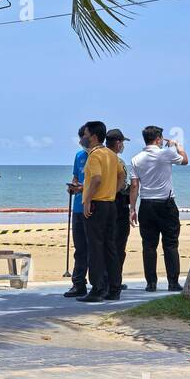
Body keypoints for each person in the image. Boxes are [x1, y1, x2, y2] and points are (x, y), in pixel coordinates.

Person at [130, 125, 188, 292]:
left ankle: (151, 283)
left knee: (148, 245)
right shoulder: (167, 153)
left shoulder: (136, 158)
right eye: (161, 139)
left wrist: (132, 208)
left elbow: (134, 186)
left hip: (146, 204)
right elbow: (185, 160)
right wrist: (177, 146)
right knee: (170, 243)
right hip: (166, 203)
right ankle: (172, 282)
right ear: (158, 139)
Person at [80, 121, 120, 302]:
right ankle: (114, 288)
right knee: (110, 247)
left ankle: (97, 289)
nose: (83, 138)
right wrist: (113, 190)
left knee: (95, 248)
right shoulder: (111, 154)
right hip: (111, 205)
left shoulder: (95, 156)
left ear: (94, 137)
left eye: (85, 134)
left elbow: (96, 179)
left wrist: (87, 200)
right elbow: (122, 175)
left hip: (97, 204)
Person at [62, 122, 95, 298]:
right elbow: (76, 176)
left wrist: (84, 189)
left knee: (95, 247)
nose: (81, 141)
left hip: (93, 206)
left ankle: (98, 283)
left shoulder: (100, 156)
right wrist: (73, 187)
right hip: (77, 207)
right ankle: (78, 283)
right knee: (80, 248)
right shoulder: (79, 156)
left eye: (83, 137)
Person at [107, 128, 131, 294]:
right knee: (118, 244)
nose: (123, 146)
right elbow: (122, 185)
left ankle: (107, 279)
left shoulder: (98, 157)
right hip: (118, 205)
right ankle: (115, 279)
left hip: (104, 204)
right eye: (122, 142)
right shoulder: (118, 161)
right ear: (117, 143)